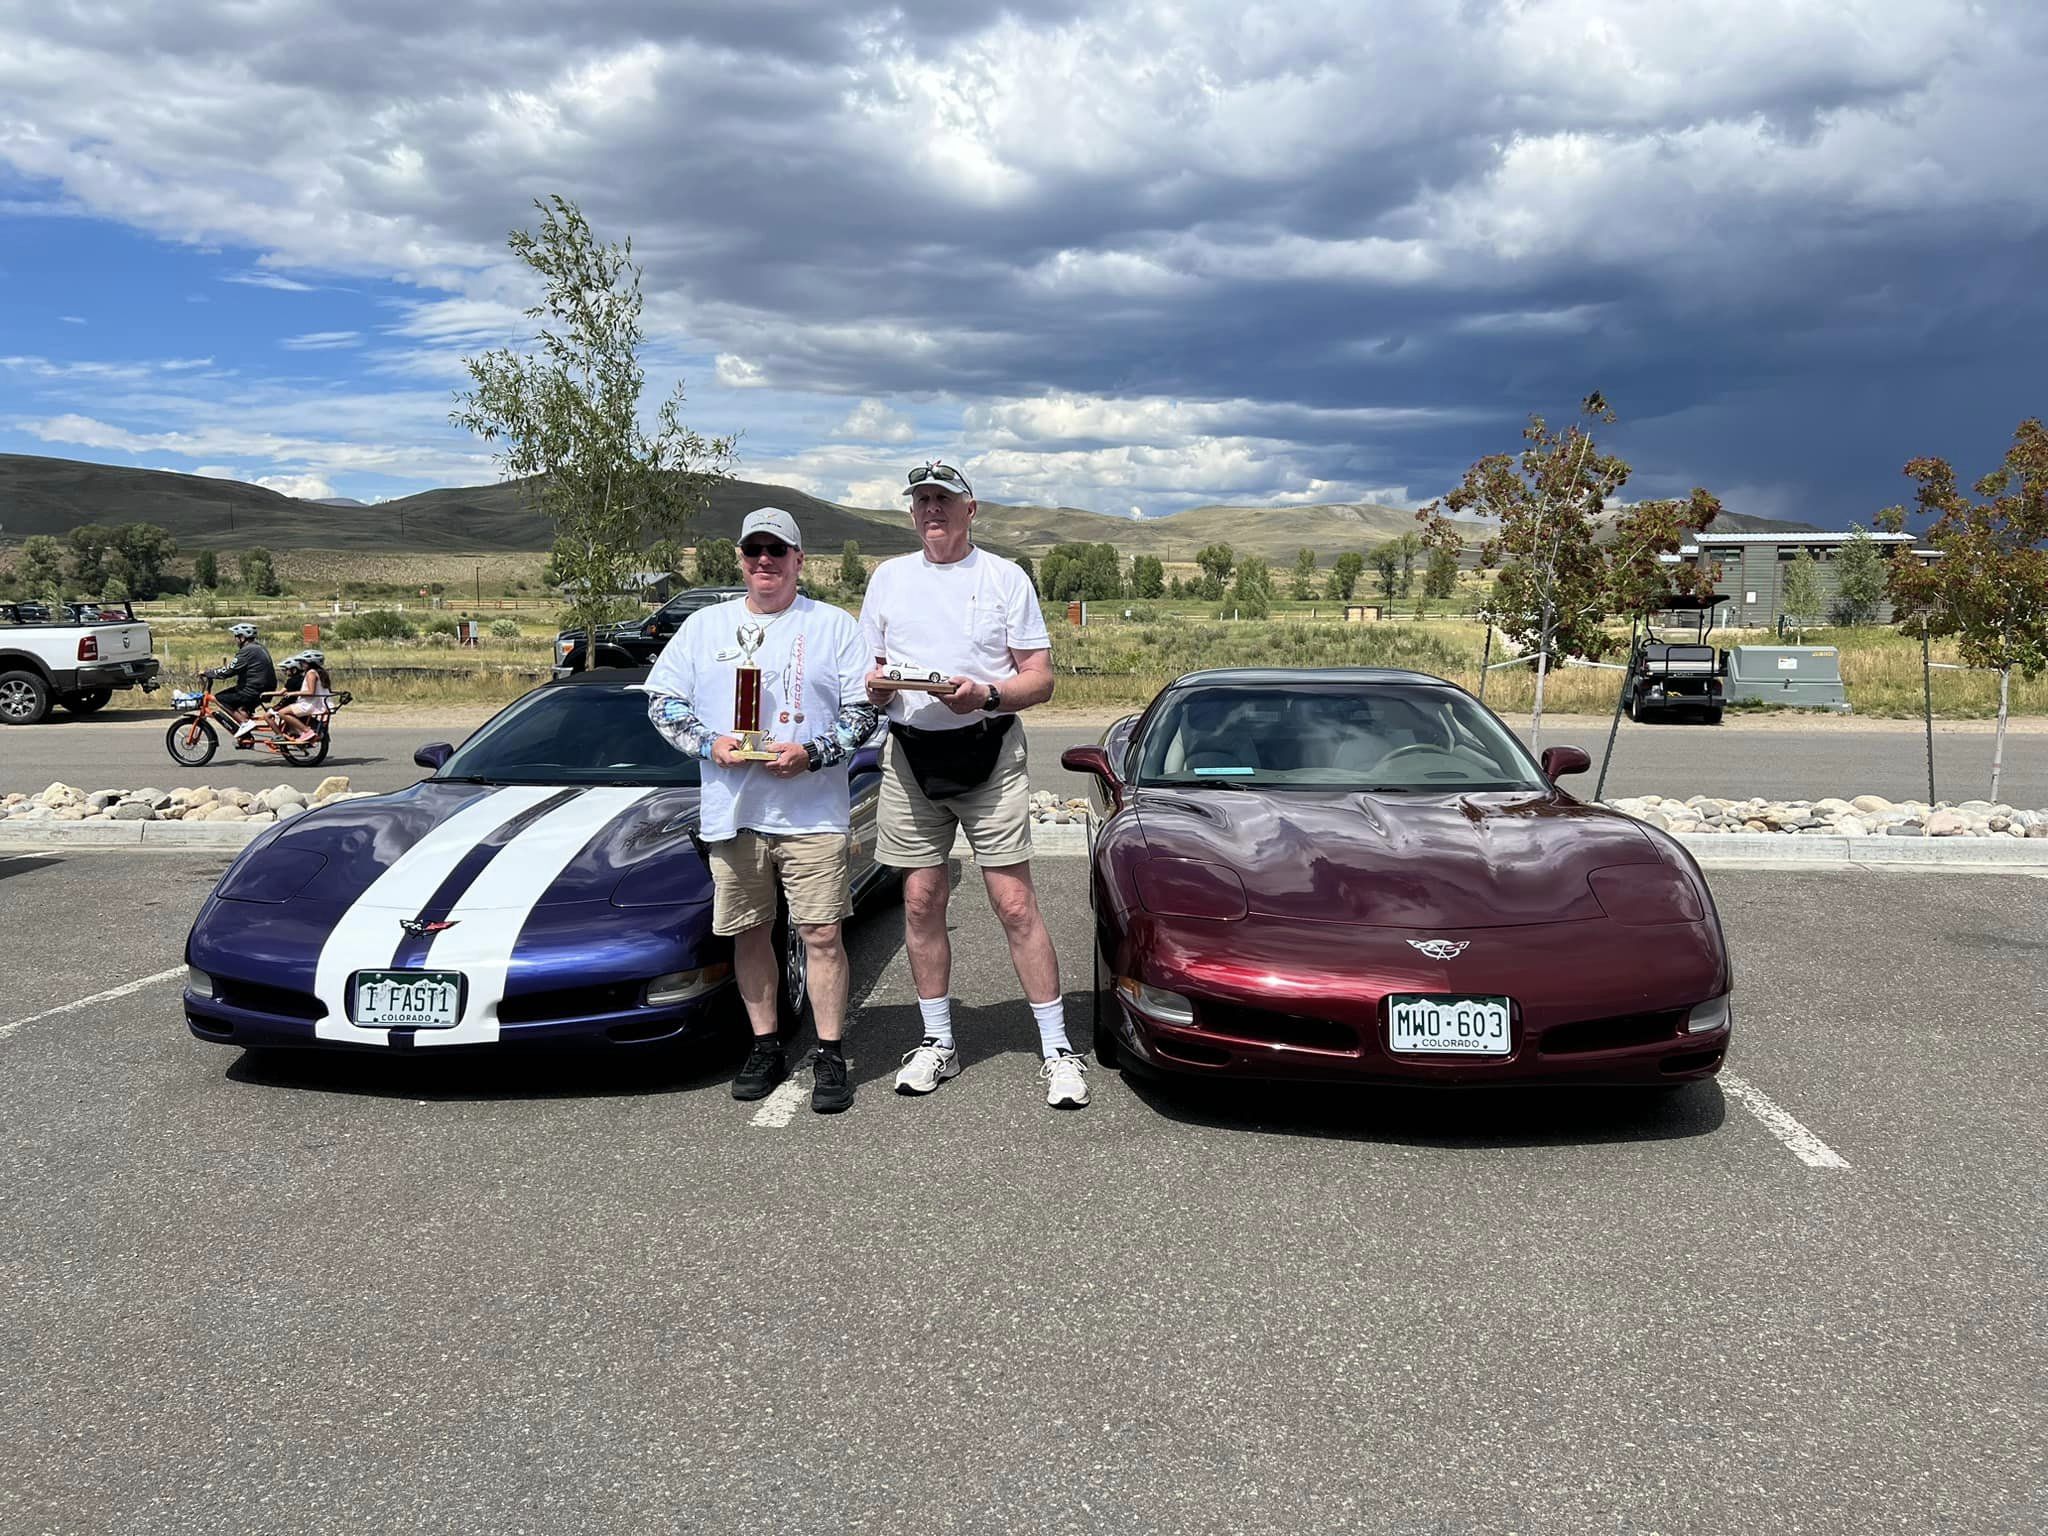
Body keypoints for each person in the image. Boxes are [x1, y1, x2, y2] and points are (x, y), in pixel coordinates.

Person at [861, 460, 1088, 1109]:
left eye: (944, 499)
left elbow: (1039, 678)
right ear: (912, 512)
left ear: (970, 508)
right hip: (910, 755)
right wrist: (876, 689)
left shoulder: (1003, 578)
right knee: (921, 902)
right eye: (922, 500)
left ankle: (1057, 1050)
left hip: (988, 749)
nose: (932, 509)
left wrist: (988, 693)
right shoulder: (889, 581)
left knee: (1015, 904)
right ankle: (939, 1043)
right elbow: (870, 673)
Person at [642, 508, 878, 1114]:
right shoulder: (704, 627)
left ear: (800, 560)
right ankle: (766, 1044)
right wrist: (707, 742)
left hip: (811, 813)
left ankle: (829, 1052)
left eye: (778, 550)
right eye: (754, 551)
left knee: (821, 933)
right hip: (734, 809)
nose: (765, 561)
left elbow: (864, 712)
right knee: (750, 933)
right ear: (740, 559)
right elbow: (662, 702)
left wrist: (815, 752)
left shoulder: (834, 627)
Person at [205, 623, 277, 747]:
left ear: (242, 638)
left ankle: (245, 722)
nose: (235, 640)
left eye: (236, 637)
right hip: (265, 687)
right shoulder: (259, 647)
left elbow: (229, 671)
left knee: (220, 698)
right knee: (241, 708)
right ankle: (246, 738)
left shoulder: (246, 651)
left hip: (254, 688)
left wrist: (209, 673)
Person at [269, 650, 335, 743]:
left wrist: (293, 693)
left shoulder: (311, 673)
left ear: (310, 663)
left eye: (303, 662)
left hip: (309, 704)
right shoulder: (321, 672)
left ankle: (306, 731)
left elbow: (310, 692)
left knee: (282, 713)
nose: (301, 664)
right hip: (320, 703)